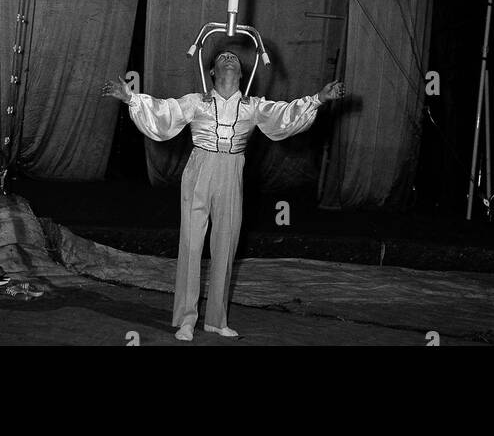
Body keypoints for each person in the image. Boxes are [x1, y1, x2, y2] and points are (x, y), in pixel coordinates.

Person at [103, 50, 344, 341]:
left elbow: (284, 115)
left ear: (241, 74)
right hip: (201, 167)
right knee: (192, 244)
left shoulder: (252, 106)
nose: (229, 58)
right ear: (213, 73)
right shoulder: (197, 101)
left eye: (233, 58)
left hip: (232, 171)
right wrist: (131, 98)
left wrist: (319, 98)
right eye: (222, 58)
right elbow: (165, 112)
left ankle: (217, 319)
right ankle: (186, 319)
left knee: (226, 243)